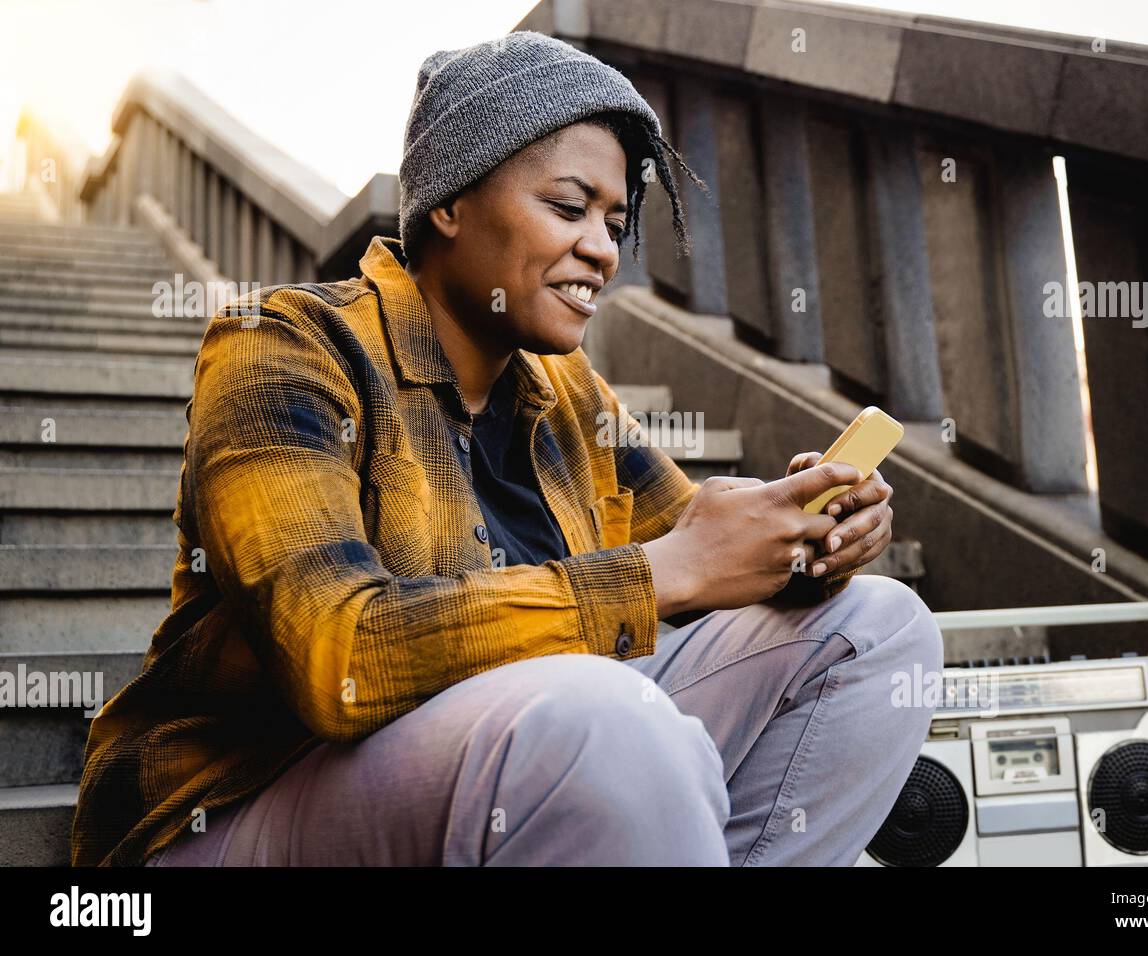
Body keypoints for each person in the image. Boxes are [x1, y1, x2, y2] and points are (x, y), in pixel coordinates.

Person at [71, 30, 942, 867]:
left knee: (874, 626)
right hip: (243, 804)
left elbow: (709, 559)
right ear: (450, 201)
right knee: (601, 707)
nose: (601, 250)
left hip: (525, 757)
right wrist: (665, 570)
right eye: (568, 207)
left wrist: (805, 543)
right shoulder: (286, 346)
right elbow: (334, 657)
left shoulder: (565, 392)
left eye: (615, 219)